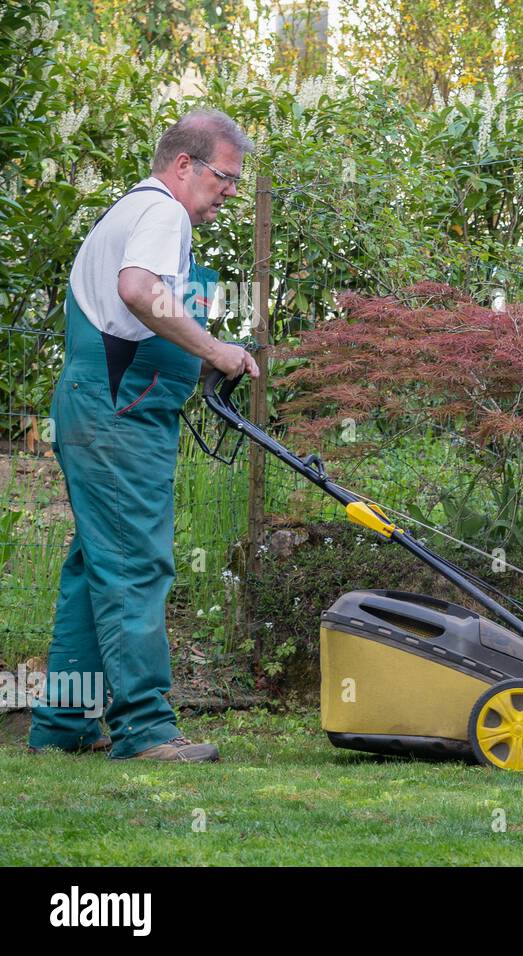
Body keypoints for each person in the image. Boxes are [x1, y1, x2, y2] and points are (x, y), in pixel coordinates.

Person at [27, 109, 260, 762]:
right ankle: (147, 731)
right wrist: (215, 349)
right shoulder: (162, 211)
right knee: (134, 564)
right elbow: (137, 290)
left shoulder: (131, 213)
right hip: (116, 418)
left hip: (101, 411)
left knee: (94, 566)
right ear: (184, 165)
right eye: (224, 177)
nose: (230, 192)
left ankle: (62, 726)